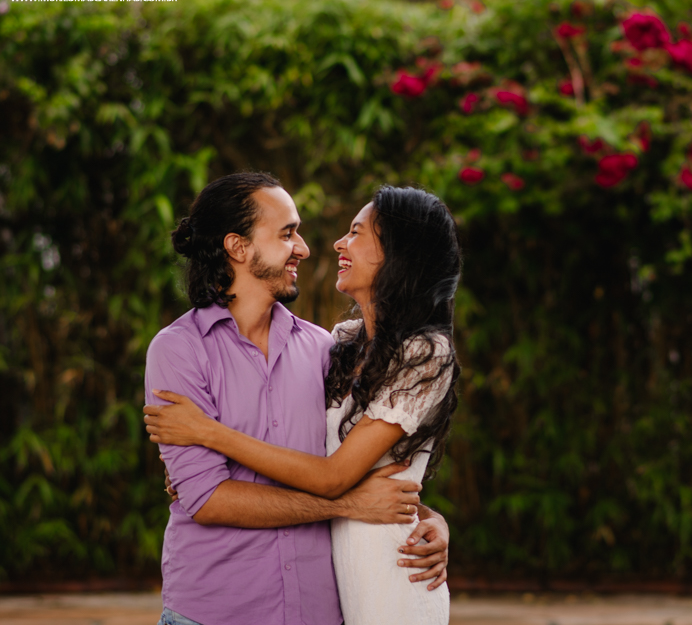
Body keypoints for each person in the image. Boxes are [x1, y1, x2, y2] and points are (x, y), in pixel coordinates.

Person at [145, 185, 461, 625]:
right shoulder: (181, 349)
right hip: (214, 611)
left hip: (327, 607)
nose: (308, 248)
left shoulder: (322, 348)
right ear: (237, 246)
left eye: (356, 233)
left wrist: (428, 518)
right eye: (287, 234)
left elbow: (349, 472)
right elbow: (207, 499)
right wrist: (355, 506)